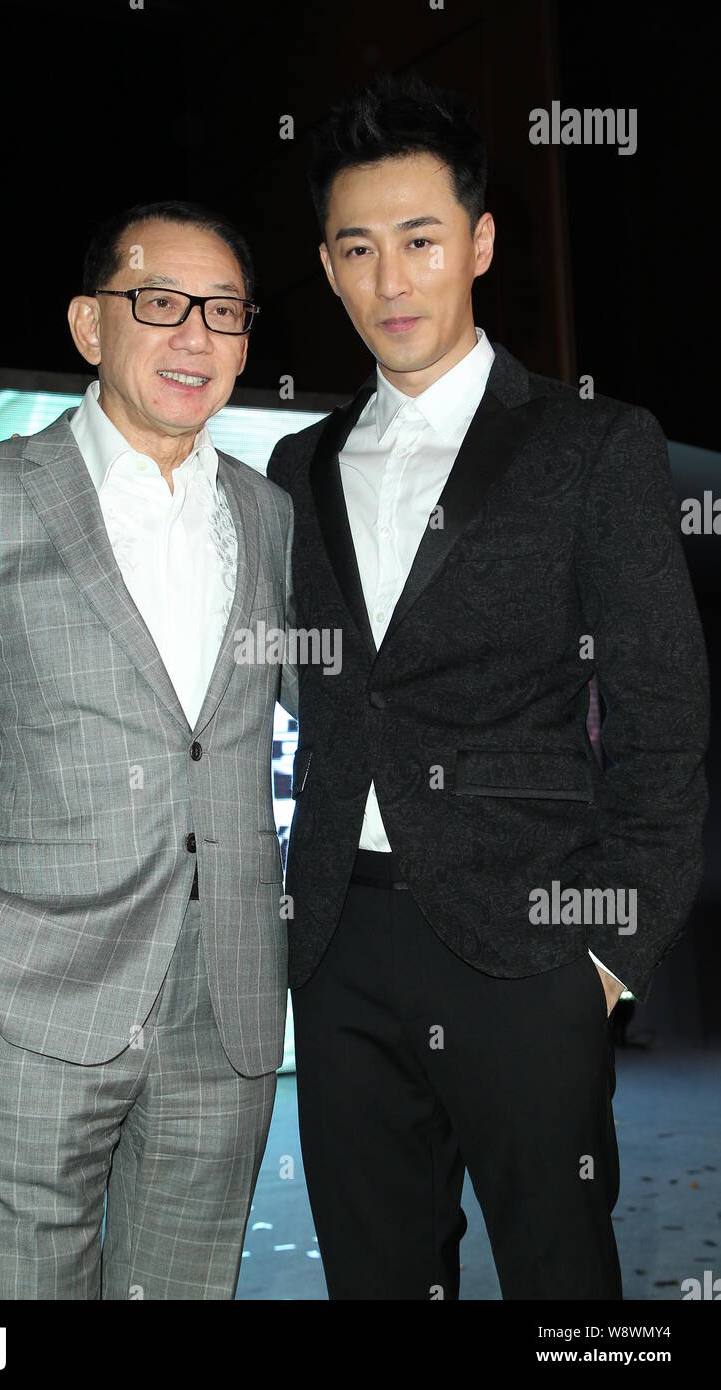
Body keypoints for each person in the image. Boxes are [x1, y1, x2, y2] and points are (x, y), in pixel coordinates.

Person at [267, 76, 709, 1300]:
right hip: (341, 940)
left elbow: (663, 720)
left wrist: (609, 955)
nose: (389, 279)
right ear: (326, 265)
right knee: (377, 1276)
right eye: (357, 250)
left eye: (417, 240)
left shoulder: (590, 444)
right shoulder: (297, 470)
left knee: (562, 1282)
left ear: (477, 242)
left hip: (531, 947)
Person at [0, 200, 297, 1299]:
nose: (195, 335)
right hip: (25, 1007)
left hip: (227, 1020)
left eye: (225, 312)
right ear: (88, 325)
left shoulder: (272, 515)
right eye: (159, 303)